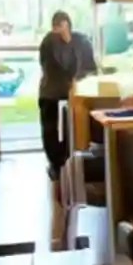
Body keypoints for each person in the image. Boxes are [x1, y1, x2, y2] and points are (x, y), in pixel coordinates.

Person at [38, 11, 95, 182]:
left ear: (68, 25)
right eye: (55, 26)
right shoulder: (49, 41)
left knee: (74, 126)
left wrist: (78, 82)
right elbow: (47, 63)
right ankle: (55, 163)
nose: (58, 30)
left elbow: (89, 66)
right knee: (50, 128)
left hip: (75, 92)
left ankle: (68, 159)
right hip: (51, 91)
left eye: (61, 25)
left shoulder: (82, 41)